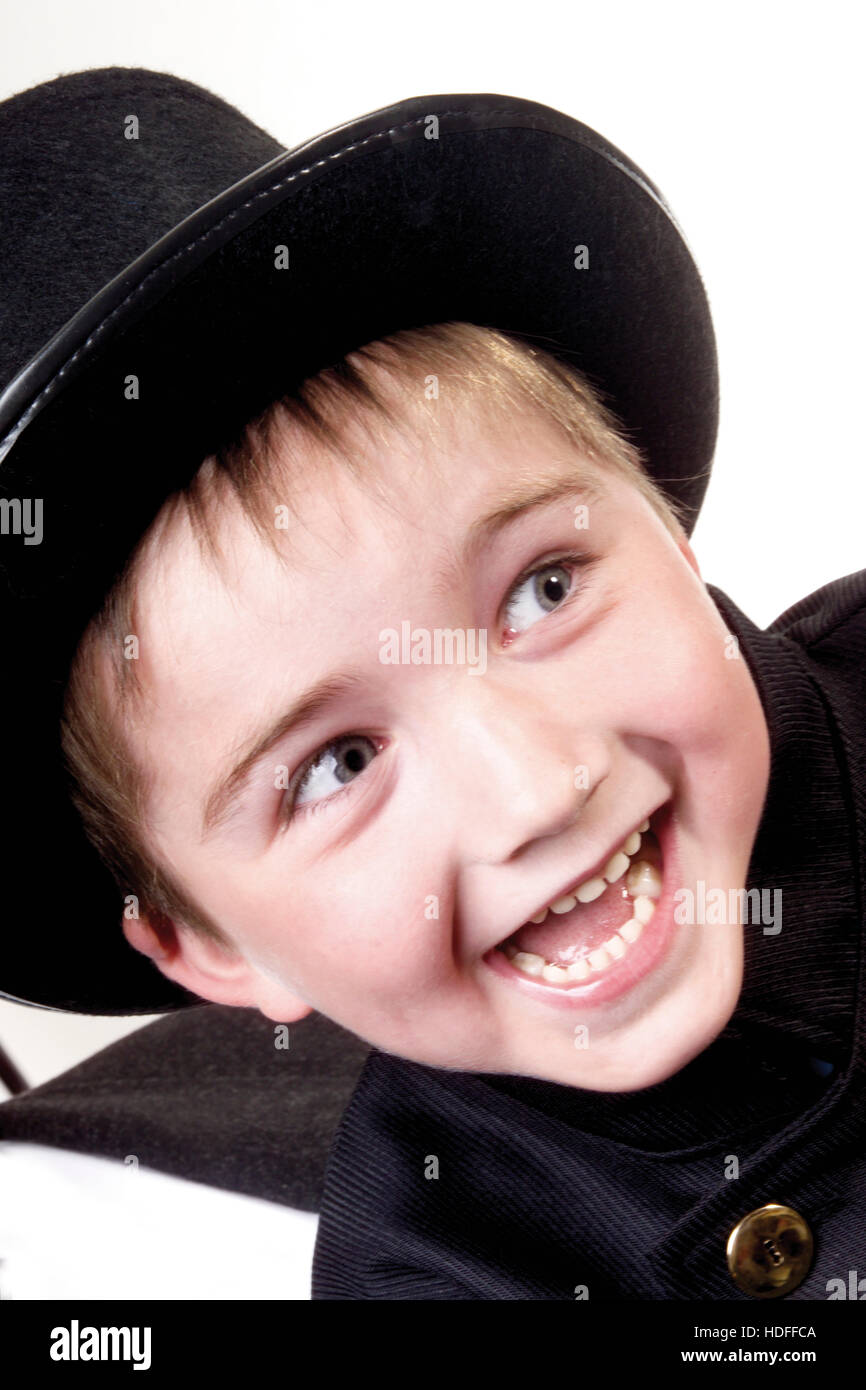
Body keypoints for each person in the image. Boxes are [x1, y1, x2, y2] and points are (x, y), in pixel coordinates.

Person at [1, 67, 862, 1302]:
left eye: (544, 590)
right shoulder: (426, 1265)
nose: (533, 788)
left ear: (669, 541)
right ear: (212, 948)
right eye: (338, 765)